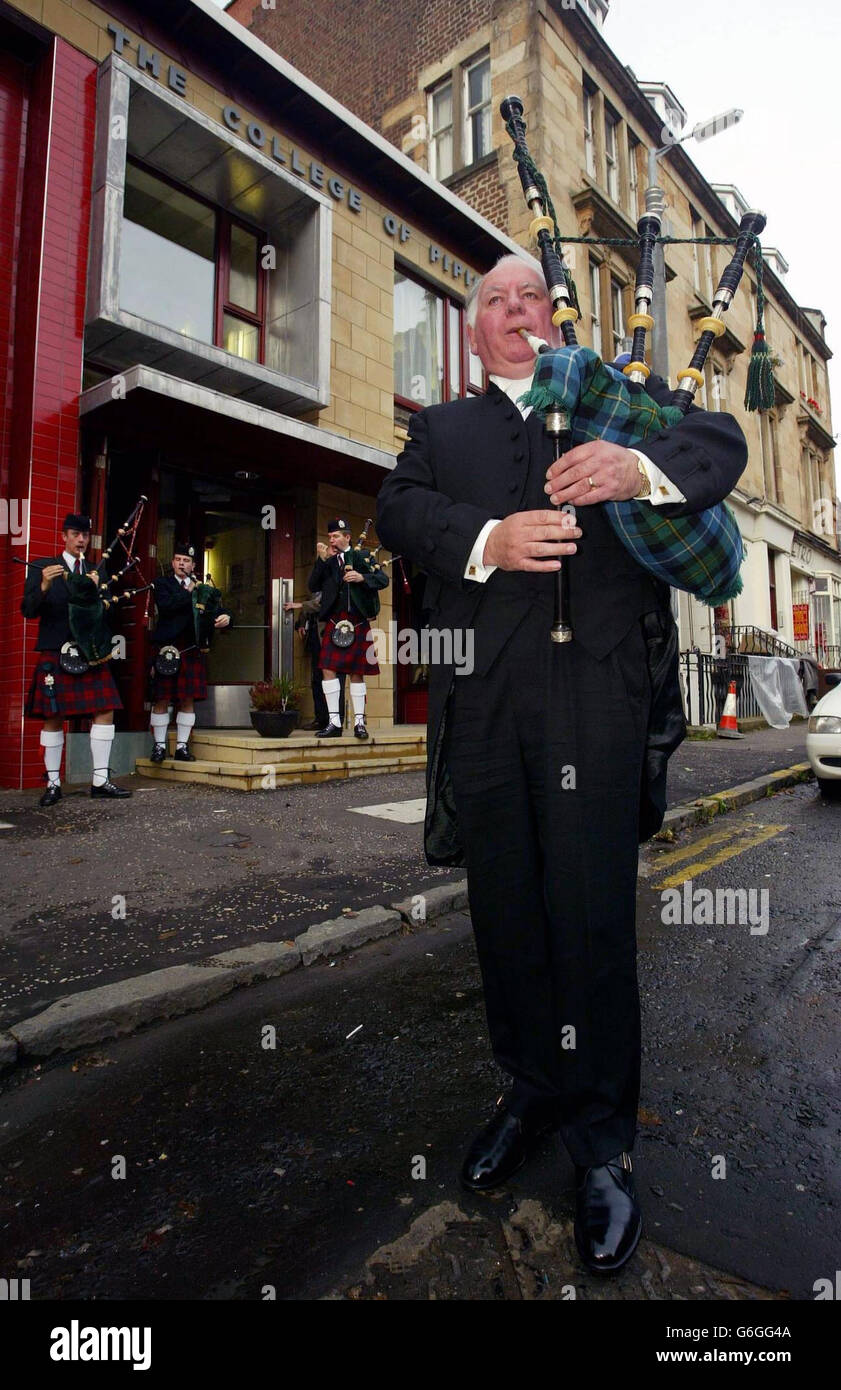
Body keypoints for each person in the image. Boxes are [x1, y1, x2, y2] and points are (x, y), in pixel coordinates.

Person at [375, 254, 747, 1275]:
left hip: (599, 702)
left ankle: (600, 1142)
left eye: (526, 298)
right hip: (486, 705)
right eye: (489, 301)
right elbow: (394, 512)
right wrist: (486, 536)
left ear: (551, 316)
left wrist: (636, 469)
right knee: (507, 911)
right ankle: (530, 1089)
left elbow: (721, 440)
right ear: (471, 325)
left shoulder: (620, 403)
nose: (509, 312)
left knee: (586, 914)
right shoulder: (440, 431)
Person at [21, 512, 131, 805]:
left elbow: (107, 613)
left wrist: (96, 594)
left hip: (89, 651)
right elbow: (28, 610)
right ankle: (53, 784)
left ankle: (100, 780)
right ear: (64, 537)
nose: (80, 540)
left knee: (105, 709)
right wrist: (43, 586)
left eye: (84, 535)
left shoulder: (97, 571)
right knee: (53, 717)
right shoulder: (43, 567)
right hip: (56, 648)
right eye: (74, 534)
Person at [148, 544, 232, 762]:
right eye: (177, 560)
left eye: (186, 561)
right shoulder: (162, 584)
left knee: (187, 699)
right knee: (162, 698)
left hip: (191, 648)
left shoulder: (201, 587)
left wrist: (227, 618)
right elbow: (167, 607)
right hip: (167, 648)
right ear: (173, 563)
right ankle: (159, 746)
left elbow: (217, 607)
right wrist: (192, 591)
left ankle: (182, 747)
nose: (181, 564)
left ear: (193, 565)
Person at [307, 520, 388, 740]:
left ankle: (360, 723)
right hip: (335, 621)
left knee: (356, 672)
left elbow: (383, 579)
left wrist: (362, 578)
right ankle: (334, 722)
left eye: (335, 536)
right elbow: (313, 586)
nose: (331, 540)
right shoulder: (329, 562)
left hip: (357, 621)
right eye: (330, 536)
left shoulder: (362, 557)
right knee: (327, 668)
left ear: (347, 537)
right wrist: (321, 560)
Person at [284, 593, 346, 731]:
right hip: (315, 637)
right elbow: (310, 602)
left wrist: (300, 605)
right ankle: (321, 719)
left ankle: (336, 720)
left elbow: (321, 603)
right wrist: (301, 623)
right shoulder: (316, 585)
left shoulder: (335, 581)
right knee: (317, 680)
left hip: (332, 637)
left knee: (336, 681)